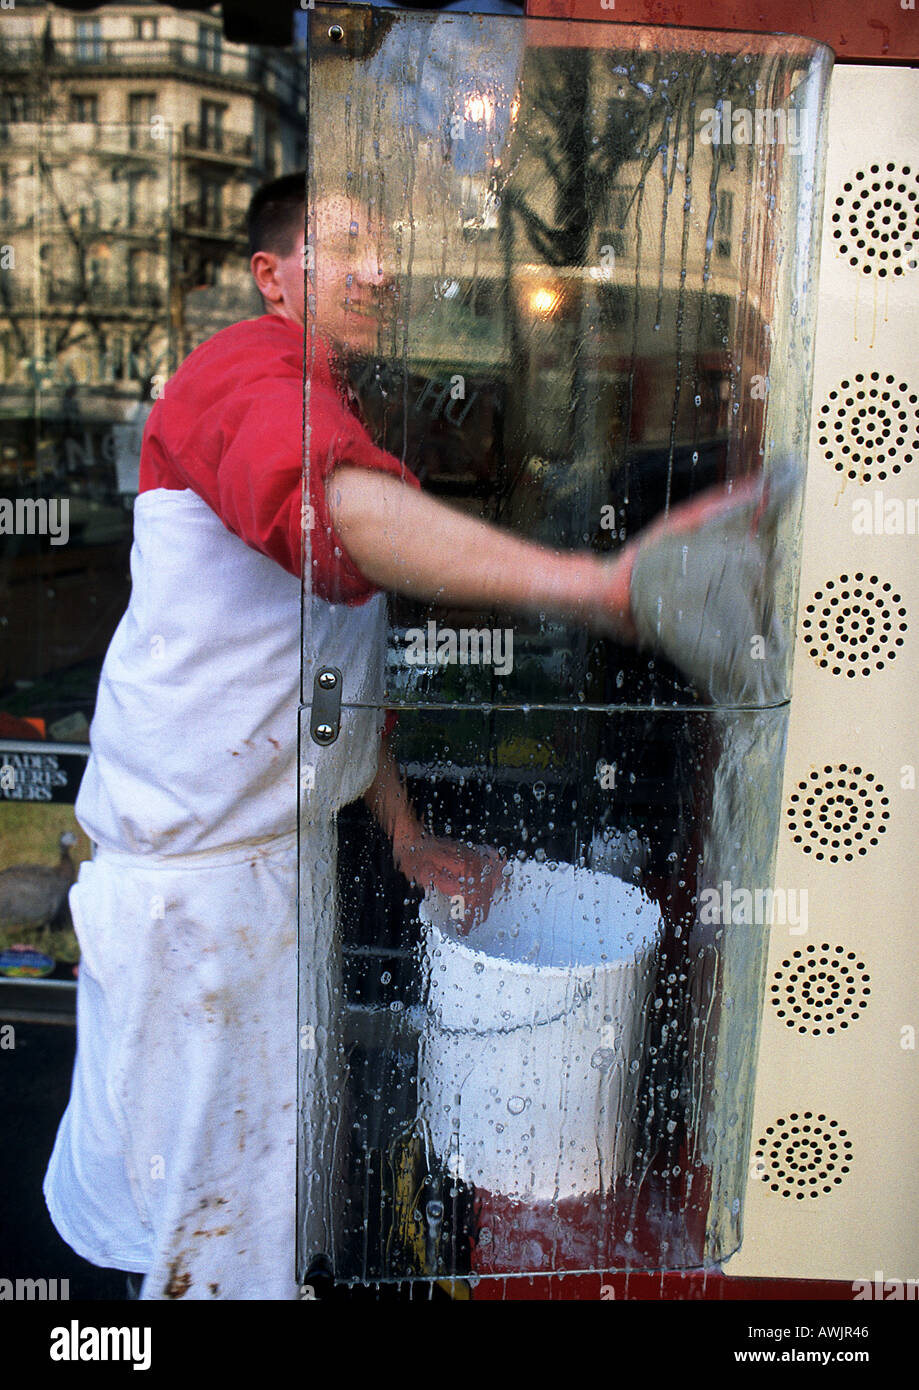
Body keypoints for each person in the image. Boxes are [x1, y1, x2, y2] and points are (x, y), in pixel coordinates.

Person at [43, 172, 786, 1300]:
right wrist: (603, 587)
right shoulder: (239, 372)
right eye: (347, 245)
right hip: (195, 906)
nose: (384, 269)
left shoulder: (328, 403)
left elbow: (321, 676)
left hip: (270, 876)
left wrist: (399, 827)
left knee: (257, 1206)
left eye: (389, 244)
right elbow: (330, 517)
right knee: (202, 1231)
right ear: (271, 277)